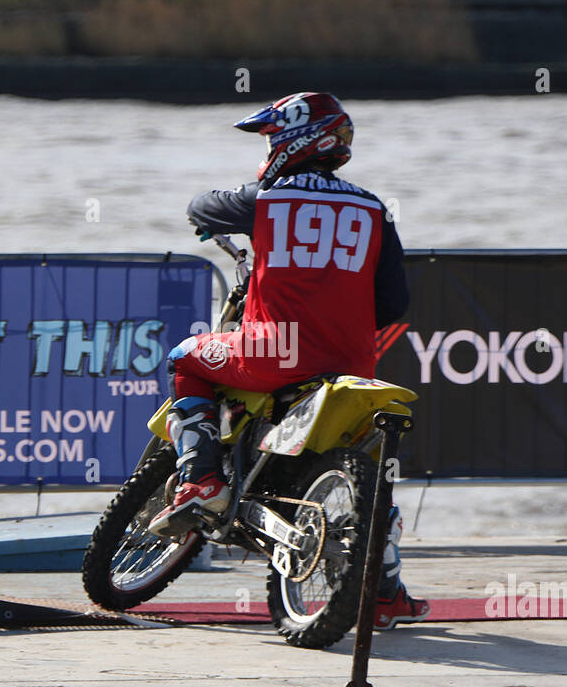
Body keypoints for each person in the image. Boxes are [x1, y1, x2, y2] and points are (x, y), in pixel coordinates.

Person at [150, 91, 429, 629]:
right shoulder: (373, 209)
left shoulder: (267, 200)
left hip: (271, 354)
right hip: (351, 363)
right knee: (366, 467)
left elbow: (200, 206)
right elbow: (394, 304)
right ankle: (385, 590)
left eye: (274, 135)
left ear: (295, 140)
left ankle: (201, 477)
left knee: (185, 357)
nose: (271, 145)